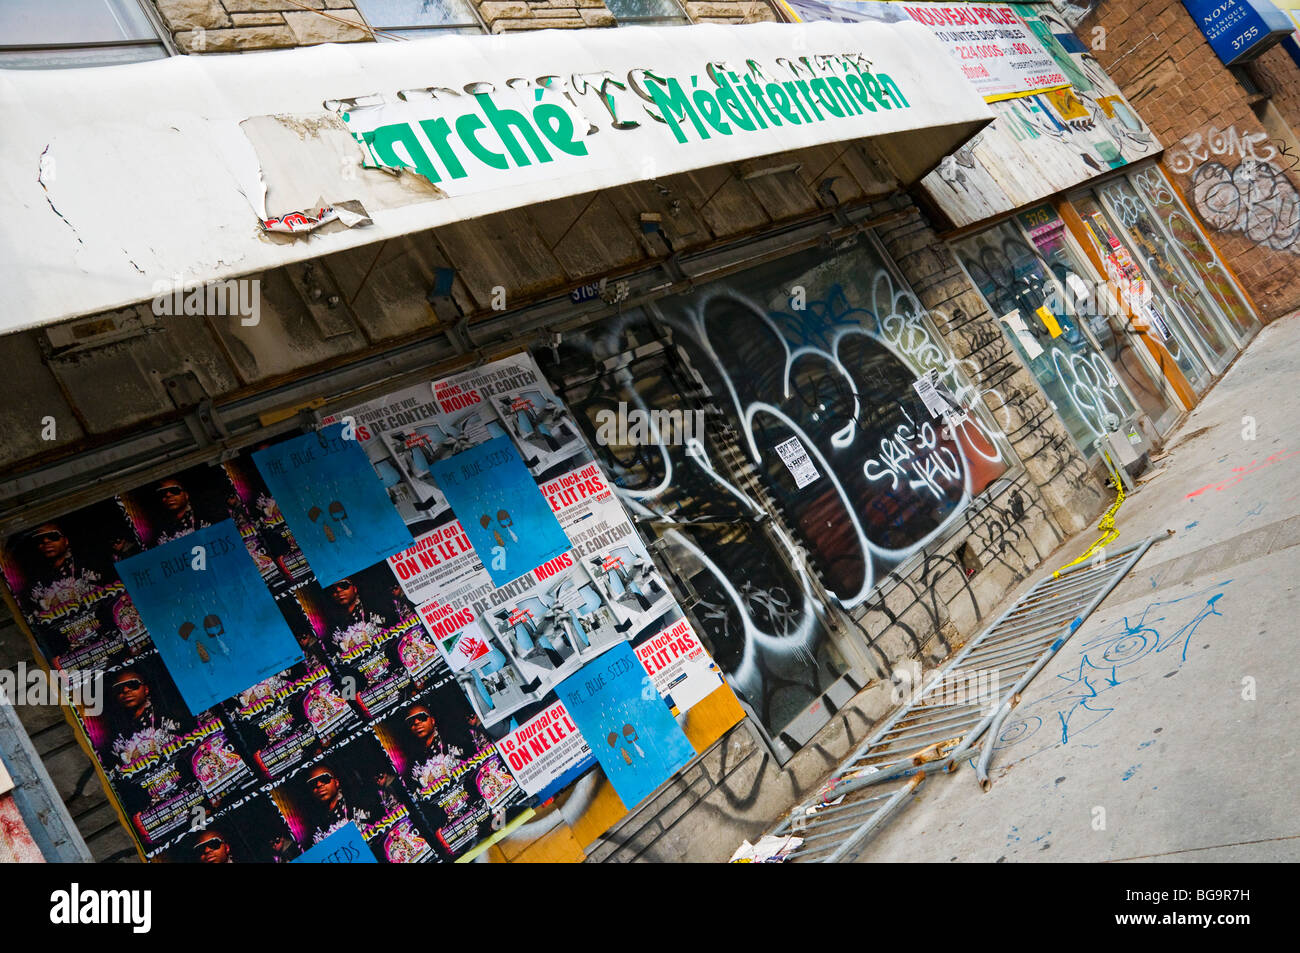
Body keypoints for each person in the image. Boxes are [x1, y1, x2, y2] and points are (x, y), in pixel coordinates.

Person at [104, 667, 182, 769]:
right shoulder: (115, 733)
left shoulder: (168, 714)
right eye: (119, 688)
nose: (126, 690)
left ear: (146, 689)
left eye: (132, 684)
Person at [303, 762, 375, 845]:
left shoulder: (359, 804)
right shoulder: (314, 826)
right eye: (313, 783)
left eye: (324, 779)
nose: (319, 784)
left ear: (336, 782)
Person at [402, 702, 464, 794]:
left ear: (432, 720)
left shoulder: (453, 738)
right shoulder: (413, 761)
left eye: (422, 717)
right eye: (411, 721)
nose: (416, 722)